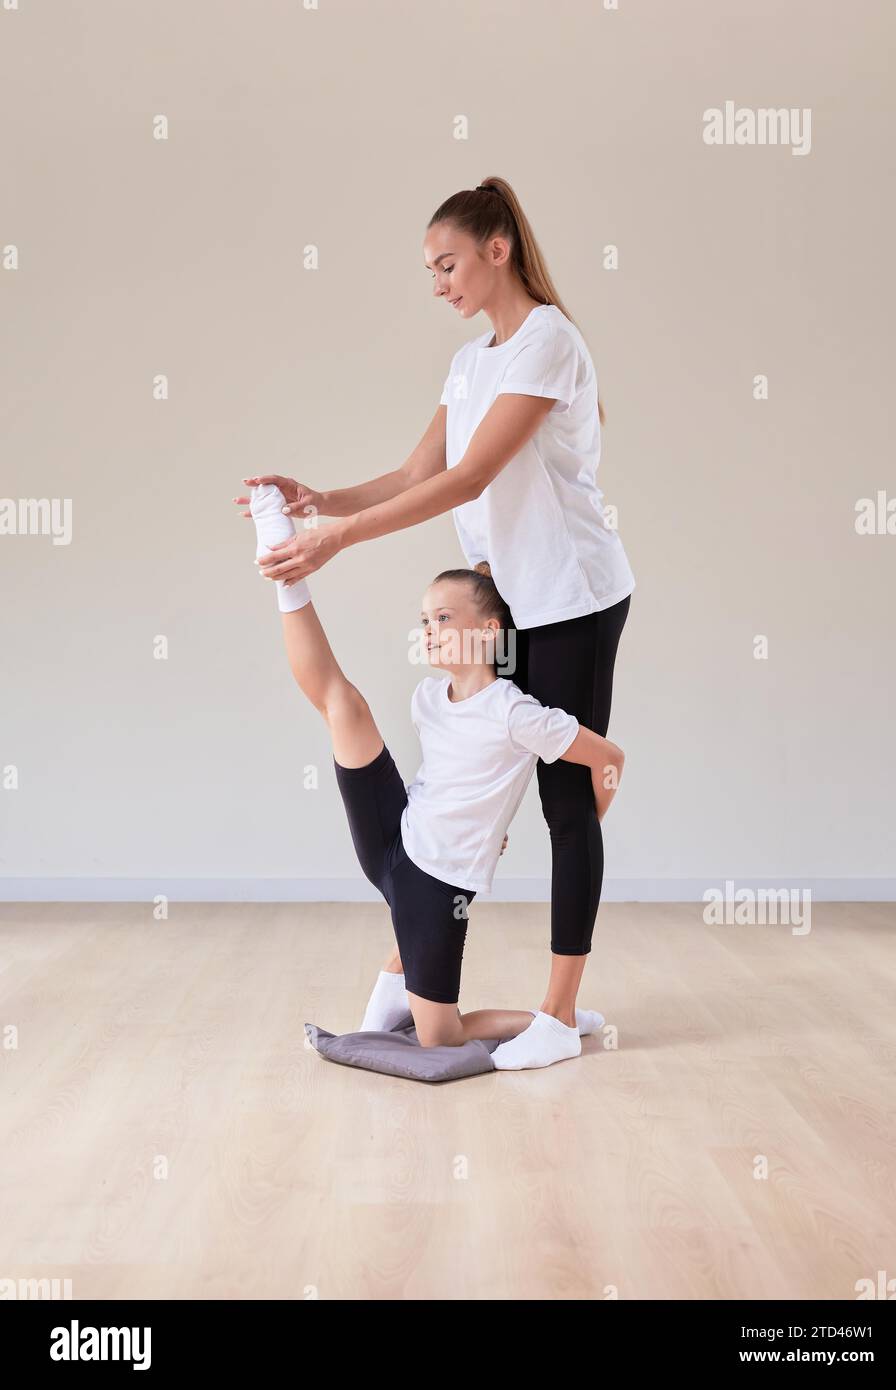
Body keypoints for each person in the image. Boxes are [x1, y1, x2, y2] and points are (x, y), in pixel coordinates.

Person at [232, 175, 634, 1067]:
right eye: (430, 272)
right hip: (511, 603)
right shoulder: (471, 363)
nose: (440, 283)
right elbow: (422, 470)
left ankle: (560, 1015)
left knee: (566, 802)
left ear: (498, 250)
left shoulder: (547, 343)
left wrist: (337, 542)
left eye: (448, 264)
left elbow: (469, 480)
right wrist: (321, 499)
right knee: (469, 771)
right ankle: (412, 961)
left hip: (569, 599)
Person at [246, 482, 625, 1069]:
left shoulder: (519, 713)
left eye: (444, 617)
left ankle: (554, 1021)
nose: (429, 628)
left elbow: (609, 759)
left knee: (439, 1039)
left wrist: (584, 824)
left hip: (435, 883)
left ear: (491, 631)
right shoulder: (428, 697)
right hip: (392, 837)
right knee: (342, 703)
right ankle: (280, 561)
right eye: (424, 619)